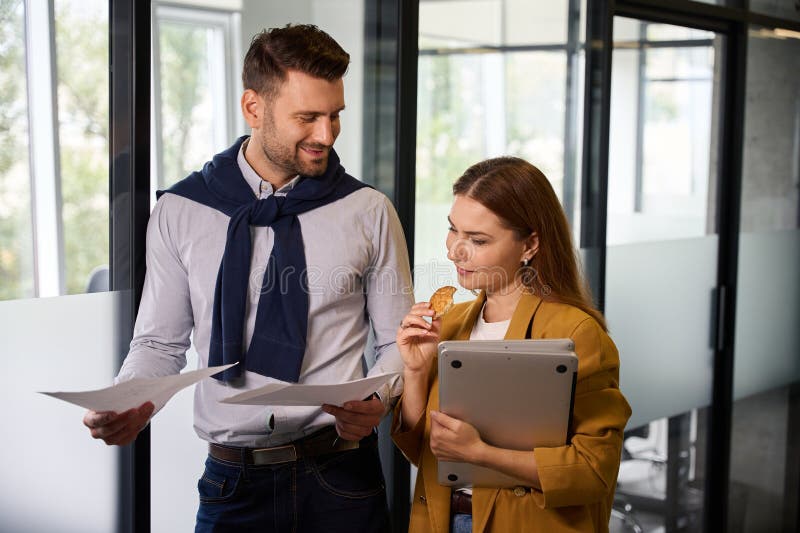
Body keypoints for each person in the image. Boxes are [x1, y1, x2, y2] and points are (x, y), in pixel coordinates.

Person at [83, 24, 413, 532]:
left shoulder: (368, 210)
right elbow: (159, 342)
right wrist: (129, 397)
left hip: (343, 477)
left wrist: (378, 400)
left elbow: (397, 342)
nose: (326, 135)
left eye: (334, 116)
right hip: (232, 483)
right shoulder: (182, 210)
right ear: (253, 107)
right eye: (307, 117)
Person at [393, 157, 631, 533]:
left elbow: (593, 471)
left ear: (529, 244)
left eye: (478, 240)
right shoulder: (450, 323)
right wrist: (417, 371)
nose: (455, 251)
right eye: (453, 230)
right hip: (441, 520)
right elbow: (426, 452)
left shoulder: (575, 333)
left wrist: (481, 454)